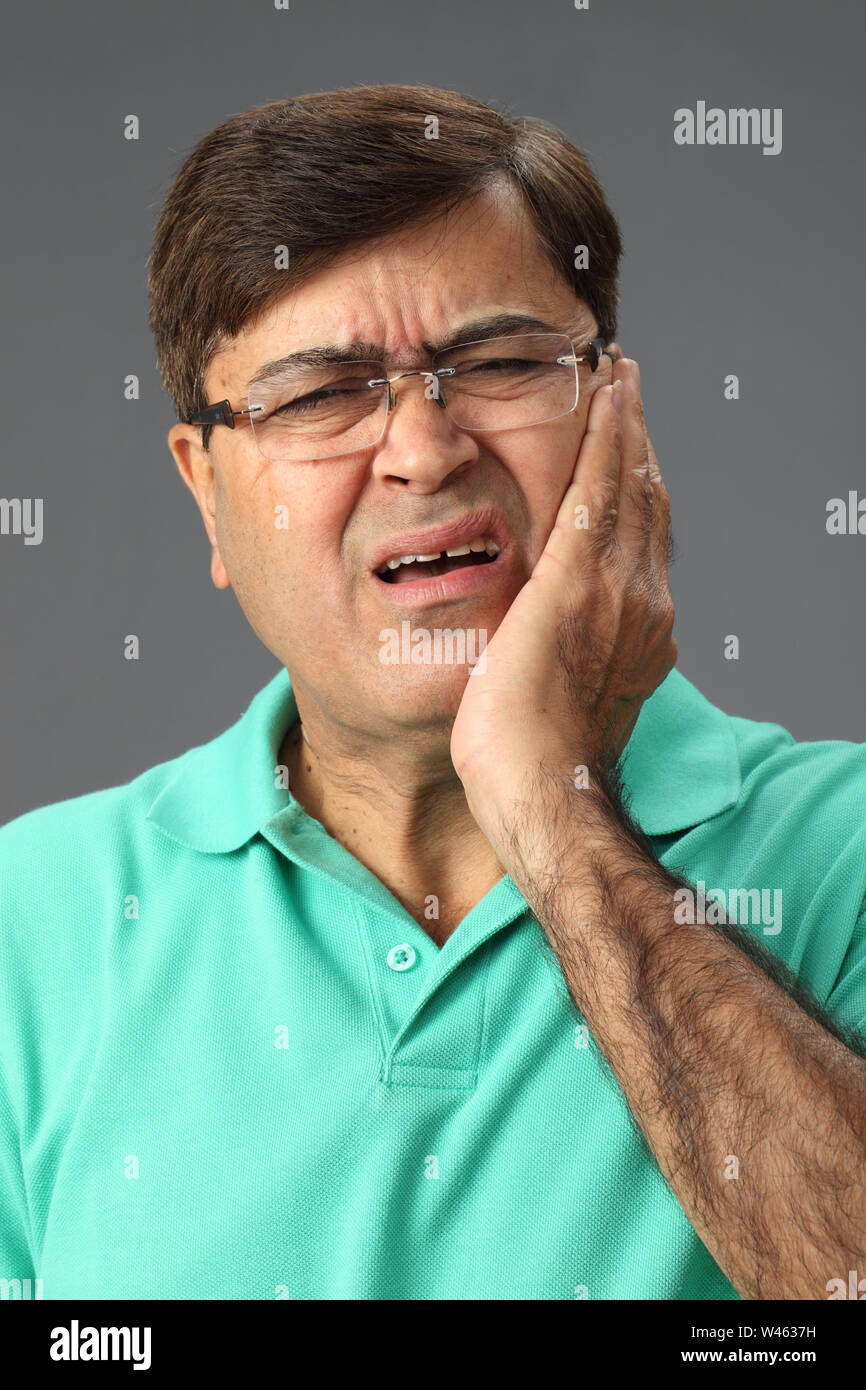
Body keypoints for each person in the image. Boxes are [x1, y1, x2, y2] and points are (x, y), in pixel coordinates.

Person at [2, 83, 865, 1303]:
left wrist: (552, 806)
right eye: (317, 395)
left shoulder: (848, 852)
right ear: (206, 488)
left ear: (616, 412)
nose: (422, 448)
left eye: (503, 362)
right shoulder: (28, 923)